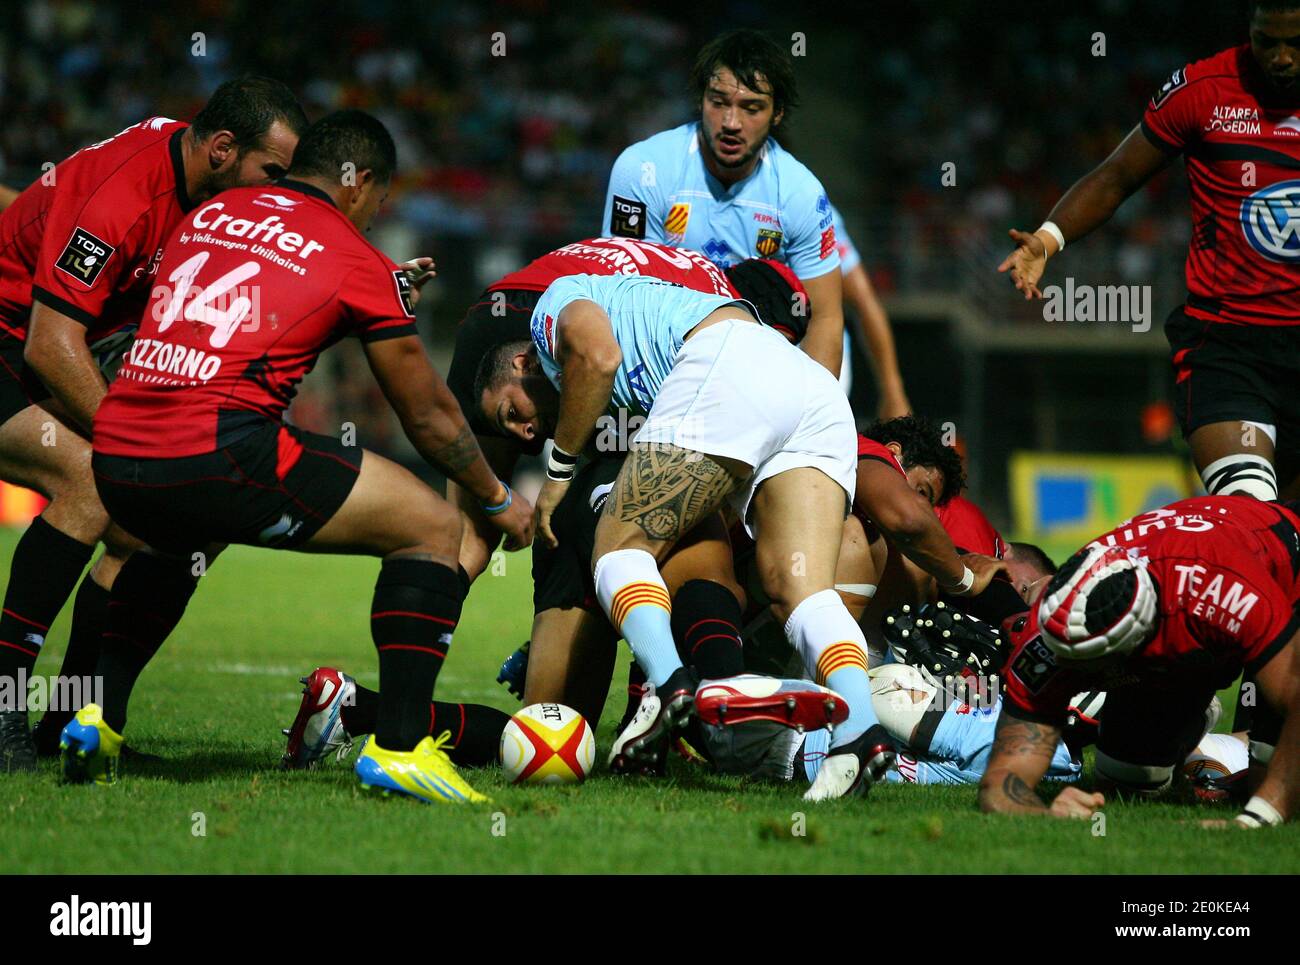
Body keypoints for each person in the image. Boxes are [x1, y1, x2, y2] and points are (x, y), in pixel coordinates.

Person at [62, 111, 532, 805]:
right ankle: (400, 748)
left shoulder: (217, 209)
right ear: (360, 182)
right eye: (377, 202)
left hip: (119, 441)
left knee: (187, 534)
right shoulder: (349, 251)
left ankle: (99, 711)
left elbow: (265, 308)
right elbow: (427, 415)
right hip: (216, 444)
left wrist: (377, 293)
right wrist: (495, 498)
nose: (373, 218)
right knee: (430, 527)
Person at [480, 272, 1006, 800]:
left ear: (523, 362)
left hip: (729, 362)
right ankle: (858, 734)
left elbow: (597, 359)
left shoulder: (556, 304)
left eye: (510, 415)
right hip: (811, 388)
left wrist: (559, 472)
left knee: (620, 548)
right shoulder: (650, 307)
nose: (525, 434)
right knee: (801, 594)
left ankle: (670, 687)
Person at [0, 77, 308, 771]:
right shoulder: (125, 193)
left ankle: (76, 716)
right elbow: (48, 344)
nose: (277, 193)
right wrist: (134, 441)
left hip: (51, 350)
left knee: (157, 519)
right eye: (272, 174)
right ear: (224, 148)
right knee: (89, 478)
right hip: (16, 343)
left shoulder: (206, 190)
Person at [999, 0, 1300, 503]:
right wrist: (1048, 240)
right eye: (1267, 41)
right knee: (1249, 512)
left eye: (1296, 43)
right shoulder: (1203, 91)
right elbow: (1116, 176)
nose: (1282, 57)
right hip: (1229, 347)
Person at [979, 496, 1300, 828]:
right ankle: (1195, 727)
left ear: (1141, 642)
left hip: (1278, 568)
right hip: (1179, 620)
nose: (1078, 680)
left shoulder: (1220, 587)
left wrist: (1257, 818)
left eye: (1094, 667)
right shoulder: (1047, 632)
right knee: (1128, 787)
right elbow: (1000, 781)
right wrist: (1041, 813)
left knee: (1268, 779)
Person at [601, 29, 846, 377]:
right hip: (659, 353)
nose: (731, 123)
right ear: (701, 99)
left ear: (776, 114)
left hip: (759, 365)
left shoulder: (800, 193)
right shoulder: (643, 170)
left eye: (751, 108)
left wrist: (814, 416)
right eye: (718, 102)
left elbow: (826, 317)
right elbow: (625, 295)